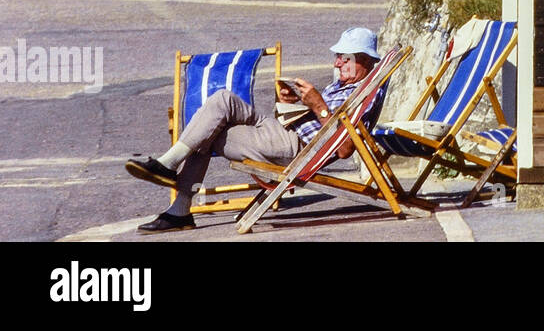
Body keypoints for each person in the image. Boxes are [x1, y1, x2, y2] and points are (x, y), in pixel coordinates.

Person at [125, 27, 386, 233]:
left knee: (210, 132)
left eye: (345, 58)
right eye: (337, 56)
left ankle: (178, 202)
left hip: (297, 149)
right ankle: (171, 174)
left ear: (364, 60)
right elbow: (320, 117)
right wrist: (290, 103)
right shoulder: (343, 84)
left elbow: (344, 149)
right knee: (222, 98)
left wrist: (318, 103)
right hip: (280, 131)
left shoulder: (366, 92)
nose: (337, 63)